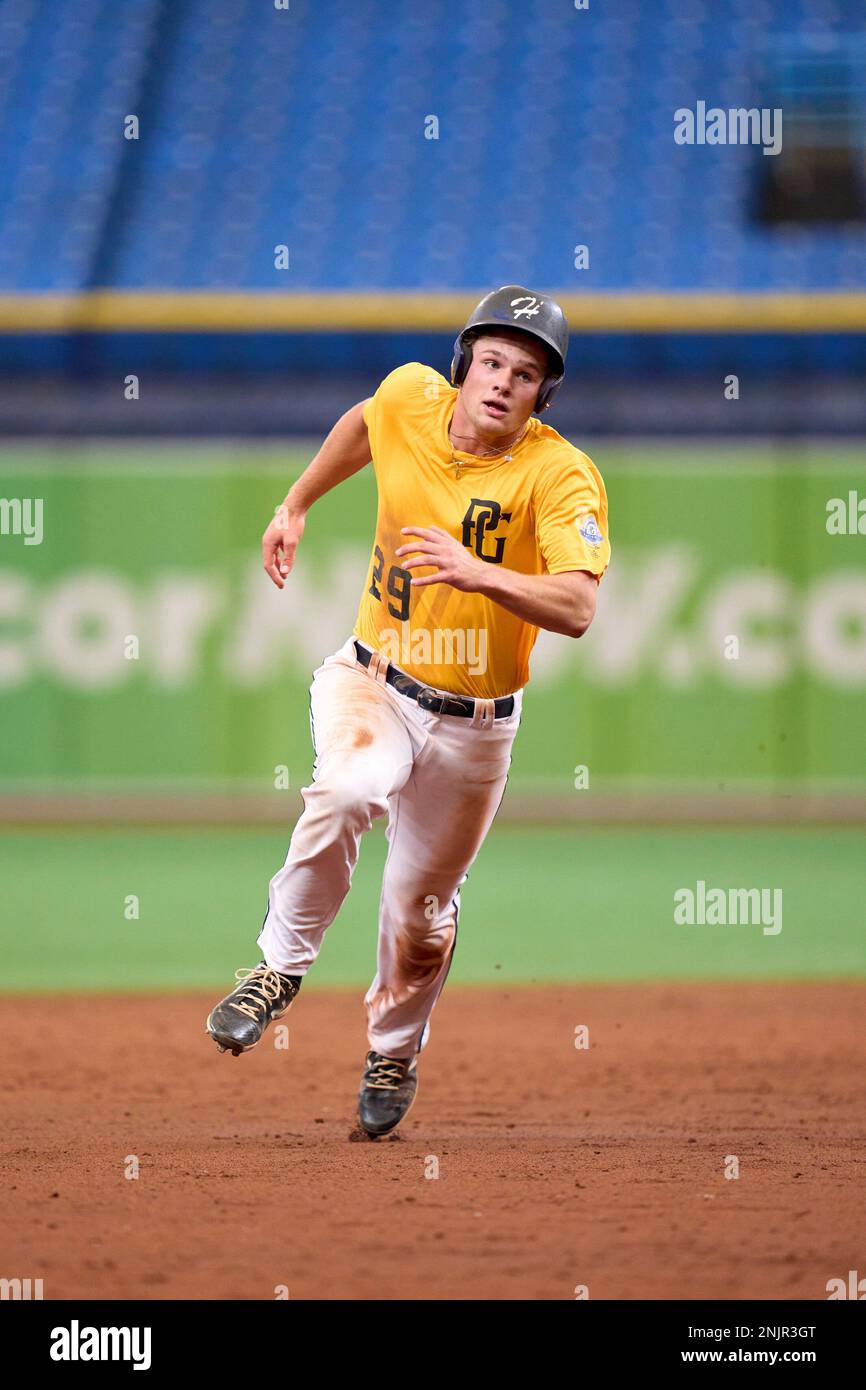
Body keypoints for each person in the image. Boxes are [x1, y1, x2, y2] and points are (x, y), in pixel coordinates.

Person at [206, 285, 611, 1137]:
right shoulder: (409, 396)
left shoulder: (559, 473)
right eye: (492, 361)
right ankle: (277, 968)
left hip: (476, 725)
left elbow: (577, 607)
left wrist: (479, 572)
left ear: (544, 394)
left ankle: (393, 1050)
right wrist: (296, 503)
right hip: (373, 679)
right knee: (349, 787)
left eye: (526, 372)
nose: (502, 382)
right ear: (464, 364)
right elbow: (362, 422)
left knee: (420, 913)